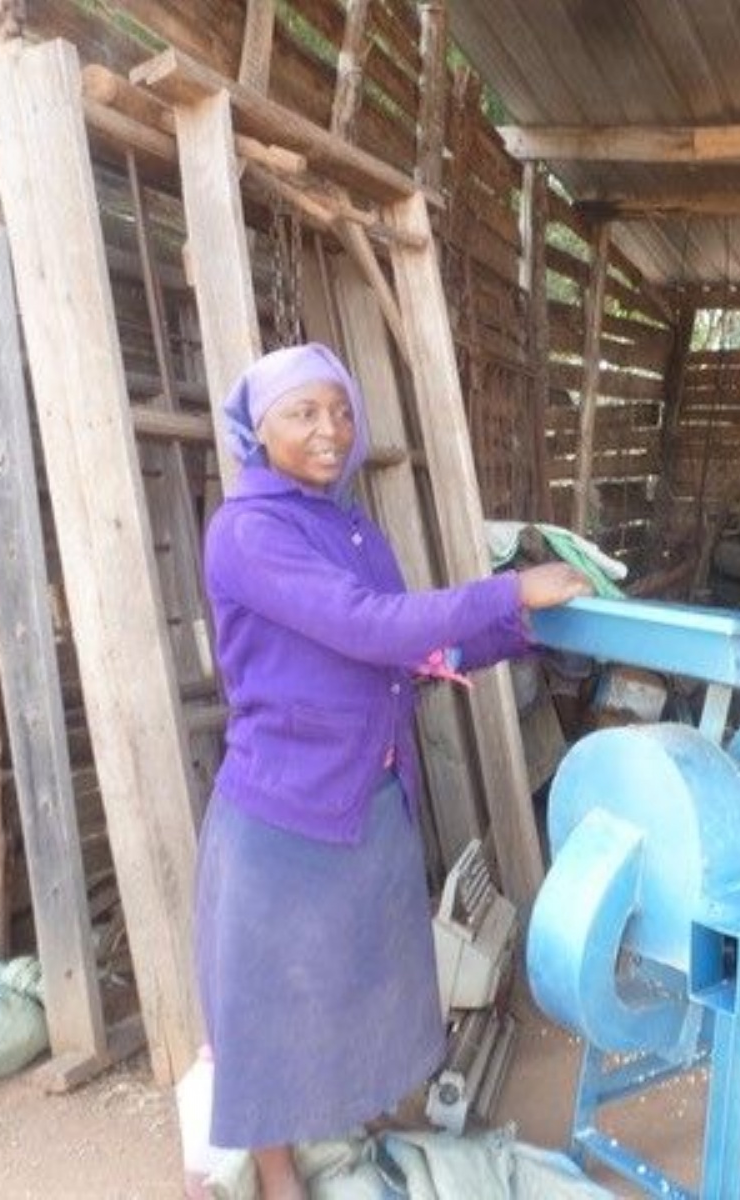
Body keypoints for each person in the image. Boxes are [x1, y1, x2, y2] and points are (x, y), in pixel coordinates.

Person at [196, 342, 594, 1199]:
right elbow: (368, 624)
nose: (330, 430)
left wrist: (527, 626)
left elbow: (414, 644)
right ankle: (277, 1174)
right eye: (303, 414)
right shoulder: (248, 530)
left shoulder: (347, 525)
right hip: (285, 812)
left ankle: (351, 1134)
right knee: (265, 1009)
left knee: (360, 984)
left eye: (340, 410)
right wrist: (506, 593)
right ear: (257, 431)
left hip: (367, 800)